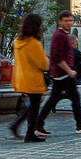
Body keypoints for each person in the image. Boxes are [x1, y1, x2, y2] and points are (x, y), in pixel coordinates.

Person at [36, 11, 81, 134]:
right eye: (66, 20)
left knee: (53, 99)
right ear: (60, 21)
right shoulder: (60, 35)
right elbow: (58, 57)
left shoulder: (63, 35)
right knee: (74, 99)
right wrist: (69, 71)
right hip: (63, 74)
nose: (69, 23)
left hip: (61, 74)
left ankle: (38, 125)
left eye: (70, 20)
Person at [10, 12, 50, 142]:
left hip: (21, 77)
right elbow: (43, 64)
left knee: (33, 106)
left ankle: (18, 126)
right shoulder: (33, 43)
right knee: (34, 107)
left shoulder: (17, 42)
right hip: (33, 79)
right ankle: (29, 133)